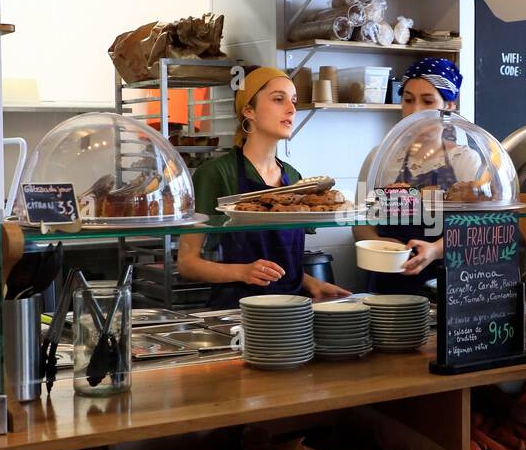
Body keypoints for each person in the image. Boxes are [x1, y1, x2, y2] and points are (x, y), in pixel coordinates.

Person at [178, 67, 350, 309]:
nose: (291, 110)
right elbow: (187, 263)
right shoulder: (216, 173)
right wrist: (243, 272)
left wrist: (311, 282)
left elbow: (283, 262)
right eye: (278, 100)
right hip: (236, 311)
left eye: (293, 101)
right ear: (249, 110)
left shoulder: (293, 177)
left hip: (292, 308)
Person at [355, 57, 478, 294]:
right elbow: (360, 222)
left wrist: (434, 250)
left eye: (428, 101)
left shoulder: (465, 160)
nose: (415, 110)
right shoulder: (380, 158)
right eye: (408, 100)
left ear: (449, 106)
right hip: (389, 280)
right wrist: (379, 244)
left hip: (446, 283)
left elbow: (478, 228)